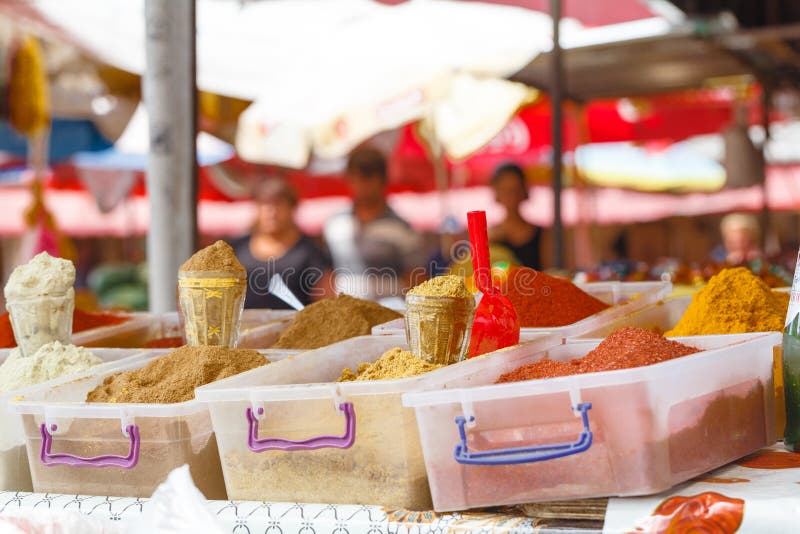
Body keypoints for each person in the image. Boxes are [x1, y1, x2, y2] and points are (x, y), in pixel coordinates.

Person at [323, 147, 423, 300]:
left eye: (368, 177)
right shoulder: (335, 224)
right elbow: (326, 274)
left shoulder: (400, 228)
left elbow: (415, 278)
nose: (362, 184)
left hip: (390, 315)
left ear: (382, 180)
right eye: (356, 177)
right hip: (345, 314)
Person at [230, 179, 332, 309]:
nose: (271, 212)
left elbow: (327, 305)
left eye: (278, 204)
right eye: (264, 205)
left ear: (291, 208)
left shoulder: (311, 253)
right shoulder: (236, 249)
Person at [488, 163, 542, 270]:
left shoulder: (542, 235)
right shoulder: (490, 236)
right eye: (505, 190)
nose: (511, 196)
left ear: (524, 190)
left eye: (515, 189)